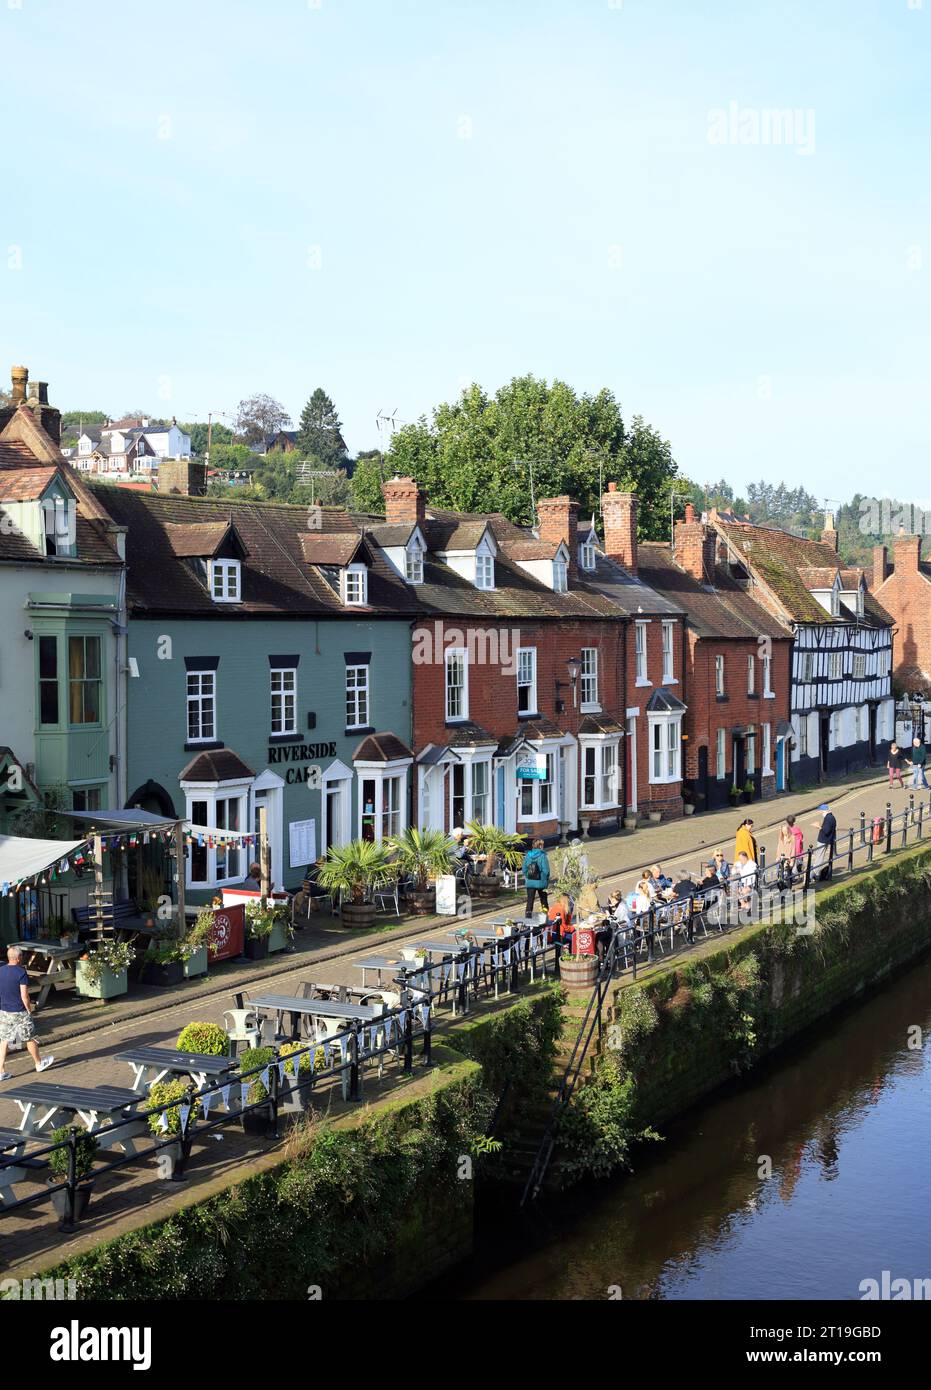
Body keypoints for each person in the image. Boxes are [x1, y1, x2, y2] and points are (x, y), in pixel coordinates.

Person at [0, 946, 54, 1081]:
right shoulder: (21, 972)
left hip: (4, 1010)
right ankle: (38, 1063)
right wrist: (29, 1009)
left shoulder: (1, 970)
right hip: (19, 1011)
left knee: (4, 1040)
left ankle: (1, 1071)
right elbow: (24, 995)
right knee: (29, 1037)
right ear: (18, 958)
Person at [522, 838, 551, 916]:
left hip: (530, 882)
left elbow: (524, 869)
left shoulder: (528, 855)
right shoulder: (543, 856)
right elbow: (546, 871)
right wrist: (546, 879)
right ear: (540, 846)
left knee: (530, 901)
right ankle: (545, 917)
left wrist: (528, 876)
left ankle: (528, 918)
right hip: (541, 882)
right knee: (543, 900)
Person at [811, 803, 837, 881]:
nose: (820, 813)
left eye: (820, 811)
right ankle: (815, 874)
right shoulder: (830, 817)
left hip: (823, 840)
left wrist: (818, 826)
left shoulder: (829, 818)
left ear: (823, 811)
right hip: (825, 840)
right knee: (819, 857)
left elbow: (826, 831)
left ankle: (813, 875)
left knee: (819, 857)